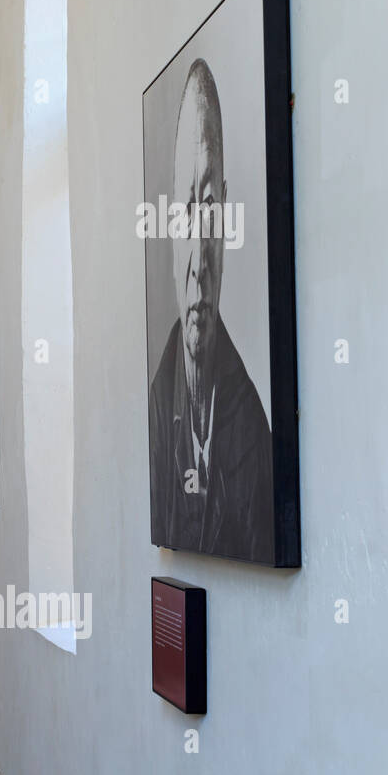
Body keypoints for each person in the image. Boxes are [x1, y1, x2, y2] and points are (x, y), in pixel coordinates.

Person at [148, 58, 274, 563]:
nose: (199, 261)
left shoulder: (253, 435)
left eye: (210, 212)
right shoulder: (157, 408)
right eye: (184, 214)